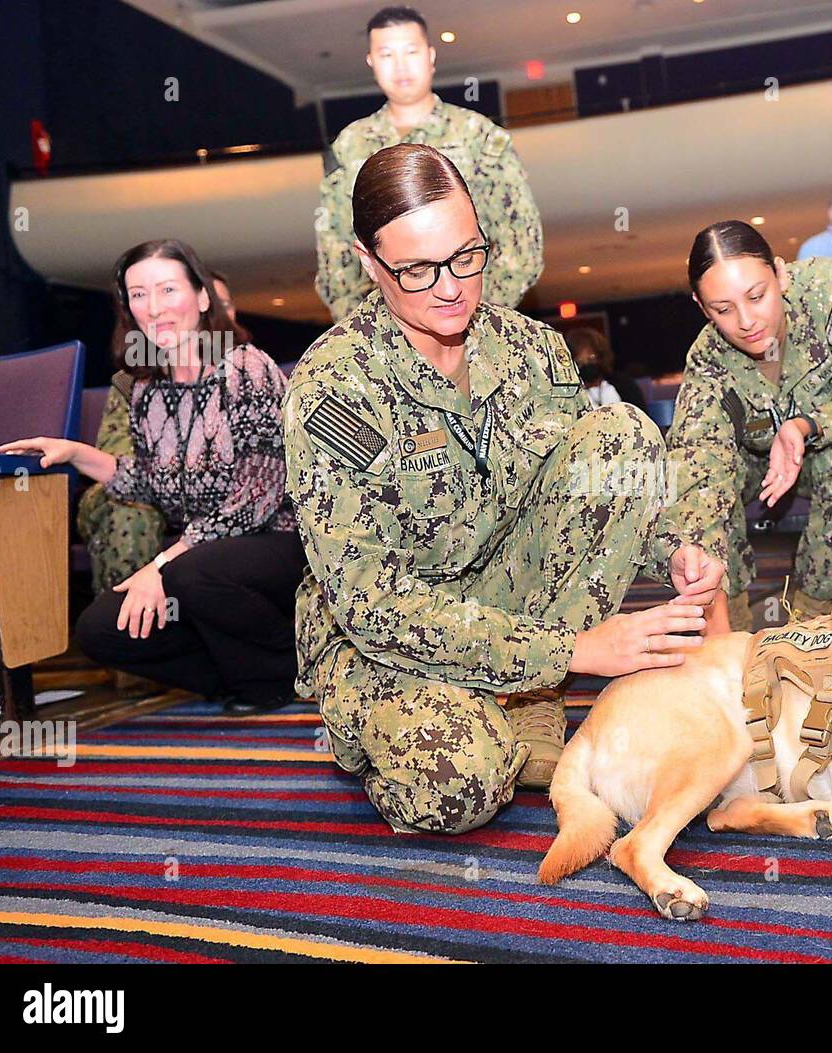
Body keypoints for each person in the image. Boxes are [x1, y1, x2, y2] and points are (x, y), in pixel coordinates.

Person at [284, 143, 724, 835]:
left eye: (467, 255)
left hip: (503, 586)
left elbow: (596, 479)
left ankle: (525, 695)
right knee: (458, 787)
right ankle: (461, 707)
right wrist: (573, 652)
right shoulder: (335, 389)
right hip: (384, 630)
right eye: (418, 269)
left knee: (624, 437)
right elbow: (373, 604)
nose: (452, 285)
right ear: (369, 264)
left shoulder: (532, 349)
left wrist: (672, 549)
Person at [0, 240, 305, 714]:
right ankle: (245, 673)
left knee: (190, 574)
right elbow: (148, 480)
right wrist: (77, 453)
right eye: (138, 294)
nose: (154, 307)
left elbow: (258, 497)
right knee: (100, 630)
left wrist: (162, 564)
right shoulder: (145, 389)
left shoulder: (247, 367)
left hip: (279, 546)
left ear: (203, 298)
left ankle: (276, 675)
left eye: (167, 289)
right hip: (203, 563)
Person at [664, 220, 832, 632]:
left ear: (780, 273)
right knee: (704, 481)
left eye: (757, 296)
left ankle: (815, 617)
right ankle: (728, 622)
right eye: (723, 309)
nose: (747, 320)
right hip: (757, 467)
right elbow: (696, 468)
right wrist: (704, 575)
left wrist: (804, 426)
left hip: (826, 449)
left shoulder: (830, 295)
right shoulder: (707, 362)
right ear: (702, 308)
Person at [315, 5, 542, 321]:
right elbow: (336, 254)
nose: (401, 66)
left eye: (411, 51)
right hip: (386, 342)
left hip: (472, 324)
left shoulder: (478, 136)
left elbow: (521, 242)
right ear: (371, 61)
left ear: (431, 55)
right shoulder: (350, 145)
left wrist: (469, 312)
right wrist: (377, 333)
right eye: (387, 55)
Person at [76, 270, 251, 594]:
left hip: (223, 500)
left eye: (225, 305)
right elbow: (120, 460)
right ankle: (125, 628)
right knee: (130, 511)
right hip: (138, 495)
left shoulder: (248, 376)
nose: (218, 314)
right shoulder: (135, 380)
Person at [567, 327, 646, 411]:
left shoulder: (623, 384)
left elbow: (641, 415)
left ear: (601, 357)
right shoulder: (571, 394)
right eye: (580, 362)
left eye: (591, 358)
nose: (586, 364)